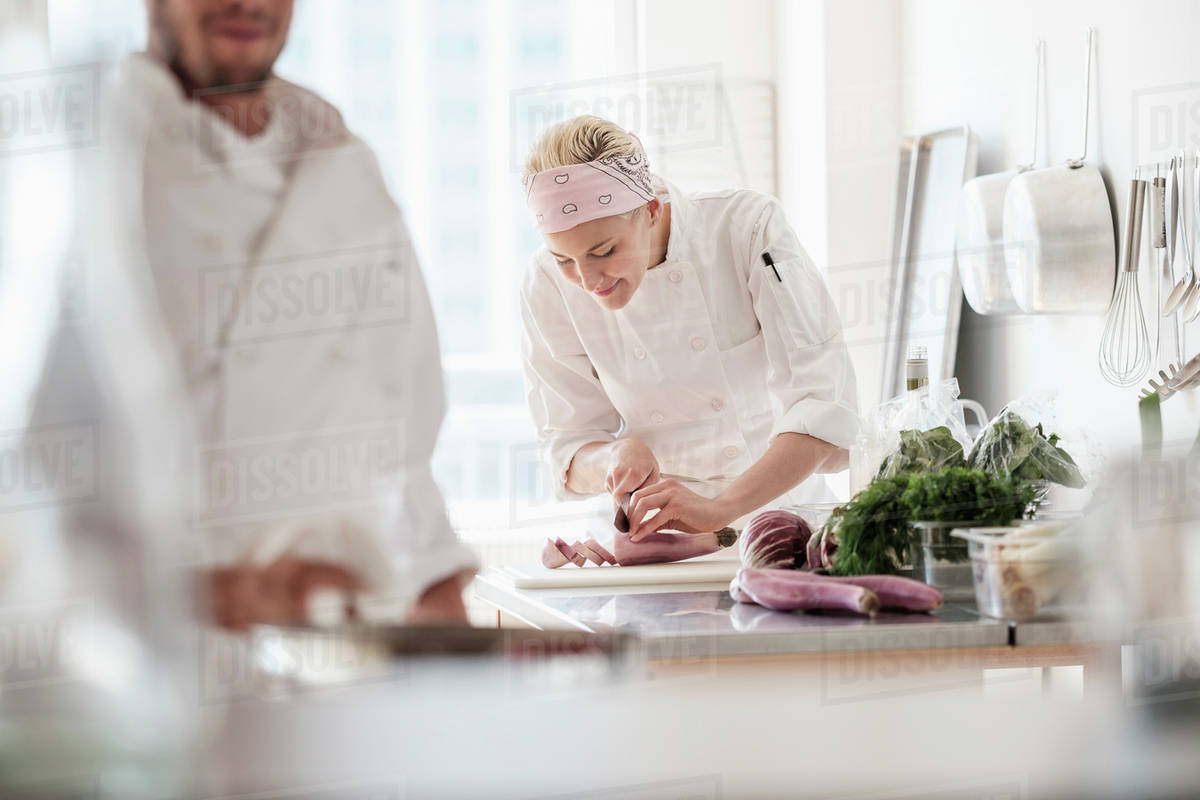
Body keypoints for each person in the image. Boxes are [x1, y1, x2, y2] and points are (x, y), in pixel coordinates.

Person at [117, 0, 474, 626]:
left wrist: (438, 588)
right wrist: (212, 597)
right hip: (156, 651)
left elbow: (400, 412)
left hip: (344, 642)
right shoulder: (87, 162)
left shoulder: (342, 158)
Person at [519, 115, 859, 541]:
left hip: (780, 520)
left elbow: (823, 408)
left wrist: (720, 509)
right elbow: (566, 446)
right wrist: (613, 457)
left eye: (603, 252)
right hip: (651, 534)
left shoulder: (746, 229)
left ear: (651, 209)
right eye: (564, 260)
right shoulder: (545, 283)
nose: (588, 282)